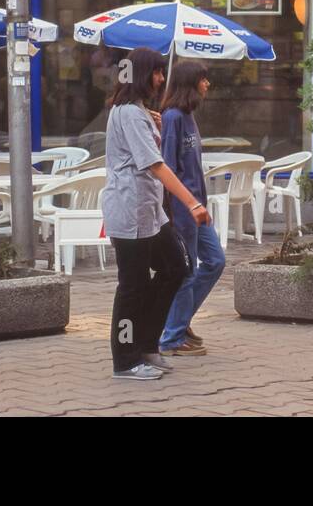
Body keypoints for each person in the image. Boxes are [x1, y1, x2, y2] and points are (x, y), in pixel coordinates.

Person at [102, 47, 210, 381]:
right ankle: (125, 359)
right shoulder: (129, 113)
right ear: (140, 74)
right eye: (156, 72)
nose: (161, 79)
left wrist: (154, 123)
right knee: (131, 287)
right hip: (129, 211)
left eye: (162, 72)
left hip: (149, 212)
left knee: (176, 267)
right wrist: (191, 202)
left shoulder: (137, 111)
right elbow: (155, 164)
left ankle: (147, 345)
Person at [157, 61, 225, 358]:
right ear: (189, 82)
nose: (207, 84)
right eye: (203, 79)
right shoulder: (173, 118)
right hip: (183, 208)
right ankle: (171, 337)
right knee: (186, 270)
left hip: (198, 207)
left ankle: (178, 322)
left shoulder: (188, 116)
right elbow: (167, 167)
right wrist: (175, 209)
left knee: (215, 261)